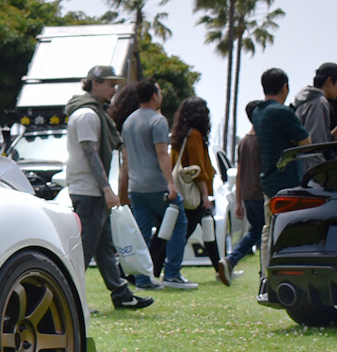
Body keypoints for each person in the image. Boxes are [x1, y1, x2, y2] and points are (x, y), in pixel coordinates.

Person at [63, 65, 153, 310]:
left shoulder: (93, 112)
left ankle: (121, 293)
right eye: (110, 84)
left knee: (104, 248)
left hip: (92, 190)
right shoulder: (87, 115)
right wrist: (107, 189)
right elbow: (91, 154)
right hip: (89, 190)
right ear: (95, 84)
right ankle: (69, 301)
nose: (115, 89)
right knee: (83, 251)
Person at [120, 80, 186, 289]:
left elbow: (126, 160)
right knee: (179, 222)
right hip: (157, 185)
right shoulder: (158, 121)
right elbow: (161, 153)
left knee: (141, 234)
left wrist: (125, 188)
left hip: (136, 187)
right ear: (154, 95)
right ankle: (172, 272)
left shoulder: (128, 122)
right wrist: (171, 183)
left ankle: (142, 278)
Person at [253, 68, 311, 300]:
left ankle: (266, 275)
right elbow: (305, 143)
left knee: (268, 231)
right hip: (287, 179)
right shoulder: (283, 112)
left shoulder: (257, 112)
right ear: (284, 87)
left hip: (268, 178)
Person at [168, 96, 232, 286]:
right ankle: (167, 269)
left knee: (206, 230)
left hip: (188, 193)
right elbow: (198, 168)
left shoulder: (179, 135)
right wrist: (205, 195)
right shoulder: (194, 135)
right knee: (183, 234)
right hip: (195, 194)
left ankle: (221, 268)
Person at [226, 100, 266, 272]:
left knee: (256, 232)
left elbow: (239, 174)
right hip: (261, 195)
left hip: (248, 196)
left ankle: (231, 259)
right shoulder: (262, 141)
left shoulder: (243, 142)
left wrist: (238, 202)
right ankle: (262, 268)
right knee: (264, 233)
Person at [291, 63, 337, 146]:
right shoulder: (319, 103)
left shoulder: (305, 100)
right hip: (311, 158)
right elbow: (317, 143)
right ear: (330, 81)